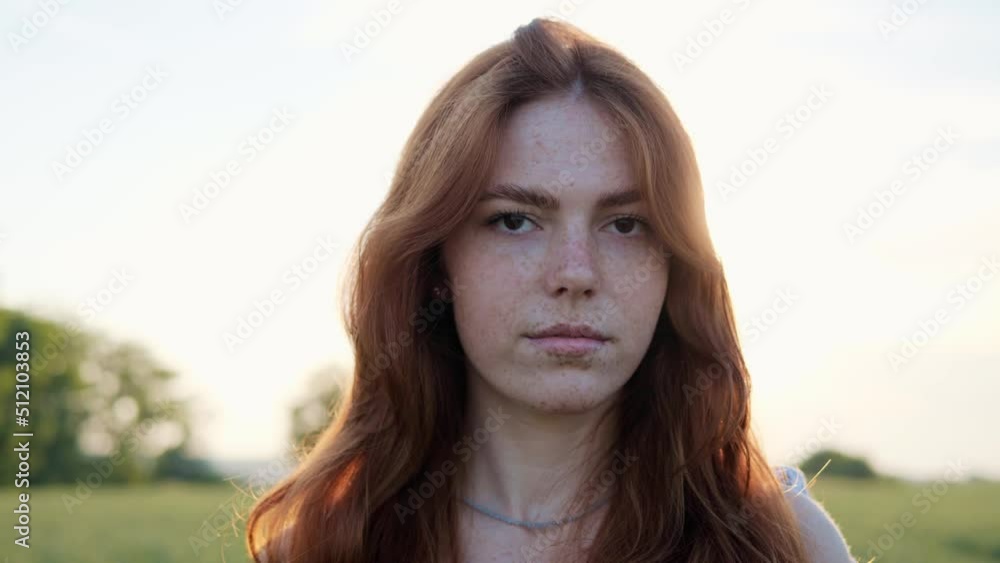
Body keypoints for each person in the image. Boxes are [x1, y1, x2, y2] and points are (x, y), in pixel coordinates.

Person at [247, 17, 857, 563]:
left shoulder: (780, 543)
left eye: (625, 224)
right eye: (514, 219)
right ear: (434, 261)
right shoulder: (322, 546)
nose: (575, 273)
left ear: (677, 263)